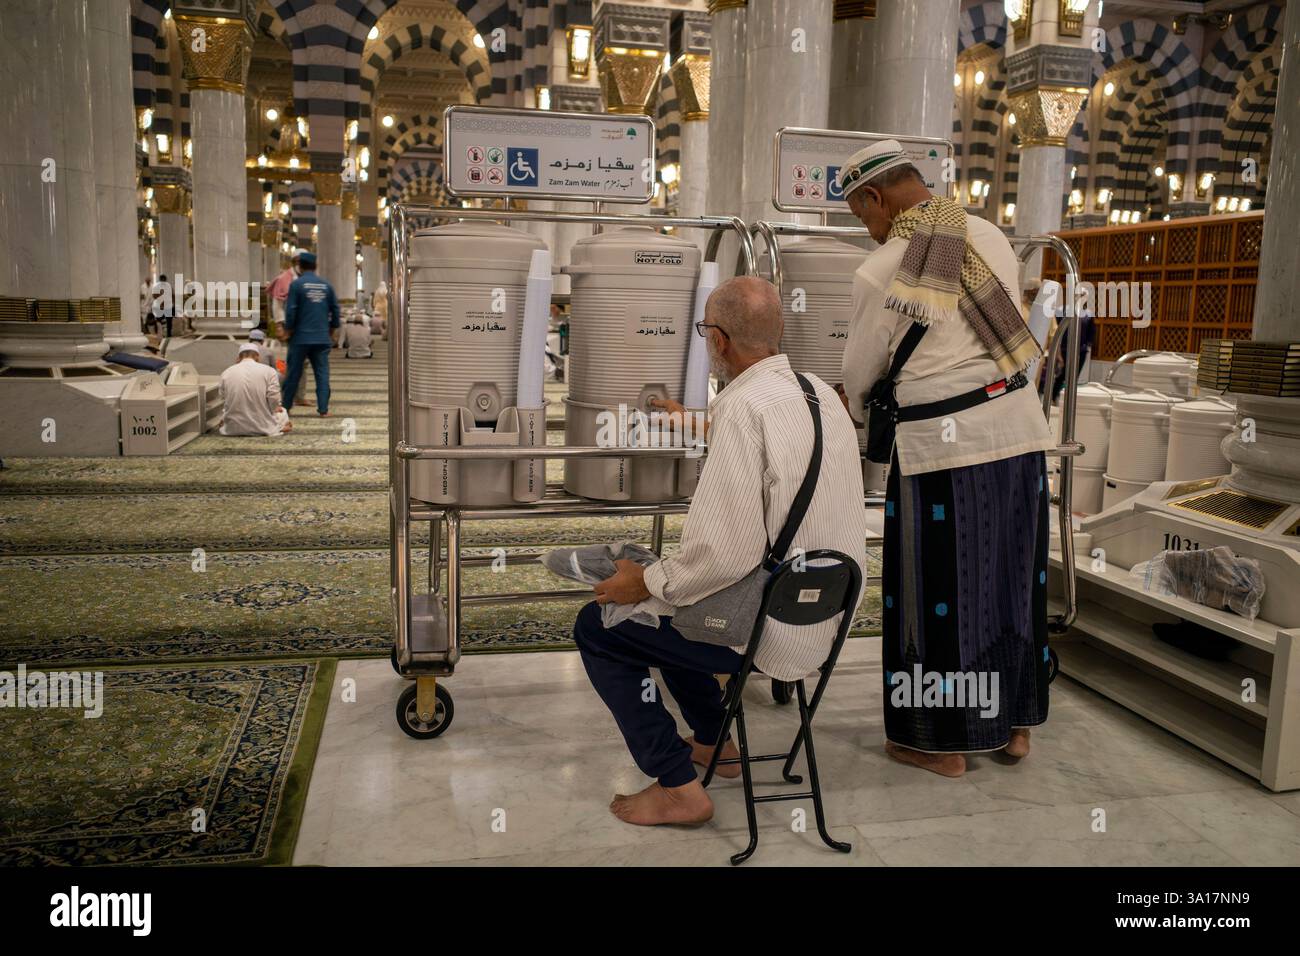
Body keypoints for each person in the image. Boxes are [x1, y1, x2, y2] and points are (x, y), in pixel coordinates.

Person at [573, 276, 867, 827]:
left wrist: (644, 582)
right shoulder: (819, 393)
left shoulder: (742, 410)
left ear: (719, 340)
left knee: (605, 623)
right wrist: (695, 419)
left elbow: (722, 557)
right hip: (824, 617)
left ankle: (678, 786)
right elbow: (774, 437)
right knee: (672, 608)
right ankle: (715, 745)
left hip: (766, 633)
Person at [838, 140, 1055, 777]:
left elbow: (860, 374)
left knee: (938, 595)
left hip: (941, 452)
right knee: (1012, 584)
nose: (867, 227)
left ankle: (938, 741)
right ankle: (1014, 726)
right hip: (1017, 435)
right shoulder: (987, 235)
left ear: (876, 197)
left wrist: (859, 406)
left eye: (861, 214)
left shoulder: (881, 269)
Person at [279, 251, 340, 417]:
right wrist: (332, 330)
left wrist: (288, 329)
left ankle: (286, 407)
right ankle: (323, 409)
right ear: (315, 266)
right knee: (322, 373)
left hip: (300, 338)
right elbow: (335, 310)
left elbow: (291, 310)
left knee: (294, 372)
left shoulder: (297, 285)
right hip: (321, 337)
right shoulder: (326, 285)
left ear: (300, 266)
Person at [218, 343, 292, 436]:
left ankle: (229, 425)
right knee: (282, 411)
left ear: (239, 357)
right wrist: (275, 408)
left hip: (232, 428)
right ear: (257, 357)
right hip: (262, 426)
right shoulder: (269, 371)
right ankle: (278, 427)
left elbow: (223, 398)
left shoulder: (226, 372)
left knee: (225, 414)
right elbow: (273, 397)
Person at [266, 250, 300, 337]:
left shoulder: (308, 277)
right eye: (298, 261)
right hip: (289, 324)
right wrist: (280, 324)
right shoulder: (283, 279)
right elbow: (277, 305)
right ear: (293, 262)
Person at [151, 274, 175, 338]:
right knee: (161, 321)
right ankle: (161, 334)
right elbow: (154, 296)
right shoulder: (158, 286)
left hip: (166, 306)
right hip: (161, 306)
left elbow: (172, 295)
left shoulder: (167, 286)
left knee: (167, 321)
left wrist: (173, 303)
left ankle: (167, 334)